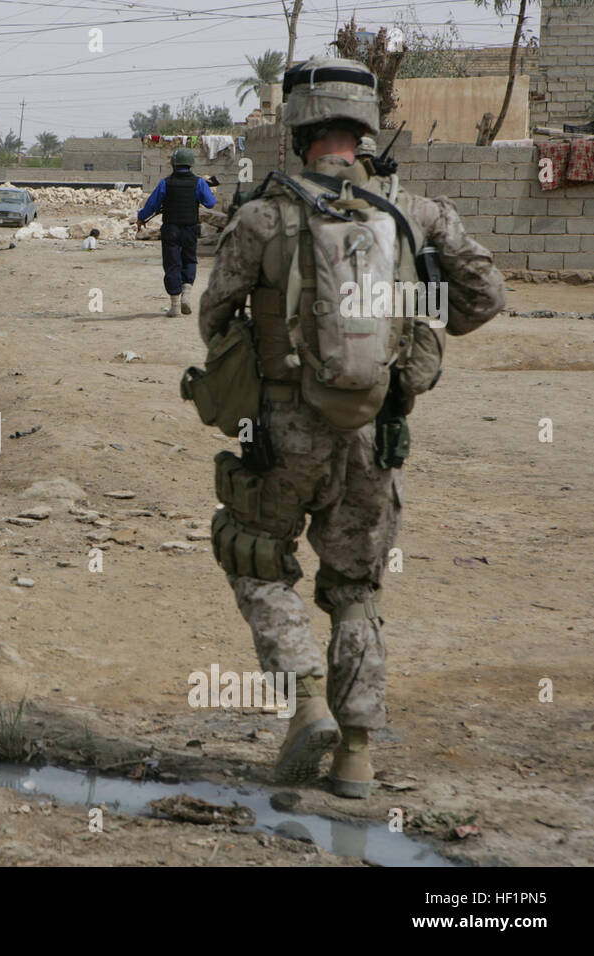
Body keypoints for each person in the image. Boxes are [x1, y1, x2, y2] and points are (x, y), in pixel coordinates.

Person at [195, 56, 505, 798]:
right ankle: (358, 754)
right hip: (378, 430)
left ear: (300, 132)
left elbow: (213, 320)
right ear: (364, 131)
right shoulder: (417, 214)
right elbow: (484, 295)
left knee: (254, 553)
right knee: (357, 588)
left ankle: (306, 703)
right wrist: (419, 323)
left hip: (282, 431)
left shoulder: (263, 216)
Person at [133, 147, 216, 316]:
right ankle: (186, 294)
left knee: (172, 263)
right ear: (191, 164)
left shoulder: (165, 183)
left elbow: (152, 206)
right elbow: (210, 203)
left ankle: (175, 306)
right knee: (190, 260)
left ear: (174, 165)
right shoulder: (198, 182)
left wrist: (141, 218)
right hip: (190, 228)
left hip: (170, 229)